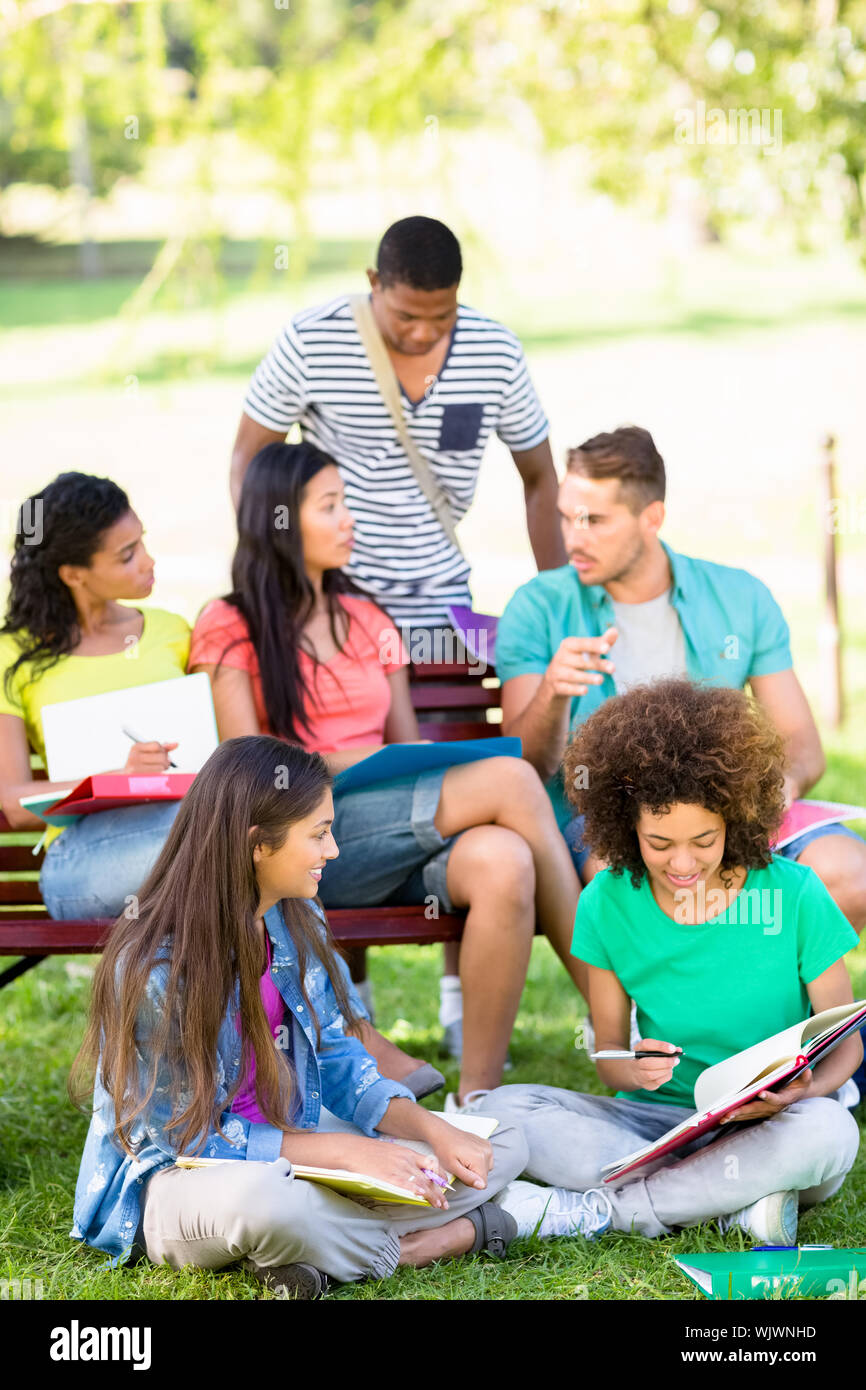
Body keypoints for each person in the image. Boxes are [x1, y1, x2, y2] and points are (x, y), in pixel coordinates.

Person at [188, 441, 586, 1106]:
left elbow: (405, 749)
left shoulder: (368, 617)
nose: (349, 520)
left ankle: (477, 1098)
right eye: (331, 506)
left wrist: (404, 764)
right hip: (304, 849)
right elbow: (248, 770)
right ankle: (614, 1010)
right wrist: (350, 763)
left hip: (392, 835)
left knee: (504, 858)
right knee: (514, 781)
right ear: (280, 518)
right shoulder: (230, 623)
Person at [69, 737, 528, 1294]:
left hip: (295, 1145)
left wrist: (432, 1127)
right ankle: (429, 1244)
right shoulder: (153, 969)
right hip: (183, 1183)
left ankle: (309, 1257)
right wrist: (346, 1152)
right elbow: (183, 1139)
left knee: (501, 1143)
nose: (333, 850)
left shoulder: (294, 918)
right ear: (257, 844)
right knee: (270, 1205)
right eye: (319, 834)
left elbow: (337, 1058)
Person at [478, 680, 862, 1245]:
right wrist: (633, 1068)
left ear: (736, 816)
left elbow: (847, 1043)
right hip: (657, 1128)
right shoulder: (604, 903)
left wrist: (804, 1092)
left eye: (704, 840)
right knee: (503, 1109)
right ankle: (726, 1204)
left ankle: (604, 1211)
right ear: (625, 824)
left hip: (774, 1124)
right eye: (660, 844)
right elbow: (609, 1056)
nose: (683, 864)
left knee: (830, 1133)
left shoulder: (796, 892)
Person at [496, 426, 866, 929]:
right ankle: (661, 1009)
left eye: (593, 521)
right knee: (628, 878)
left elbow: (803, 748)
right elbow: (524, 766)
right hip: (610, 822)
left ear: (652, 518)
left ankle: (776, 1007)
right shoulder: (538, 607)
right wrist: (552, 694)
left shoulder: (739, 597)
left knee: (850, 874)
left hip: (726, 813)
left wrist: (780, 787)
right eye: (566, 518)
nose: (572, 538)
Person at [229, 215, 565, 632]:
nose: (423, 333)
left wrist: (558, 596)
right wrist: (279, 571)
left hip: (441, 603)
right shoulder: (311, 340)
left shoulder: (496, 352)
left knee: (451, 696)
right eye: (406, 316)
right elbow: (251, 460)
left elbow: (539, 477)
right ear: (374, 282)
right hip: (333, 600)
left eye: (443, 316)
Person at [0, 473, 188, 919]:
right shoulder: (13, 655)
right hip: (82, 856)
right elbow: (14, 801)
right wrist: (117, 778)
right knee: (221, 851)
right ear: (73, 574)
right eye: (127, 556)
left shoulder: (173, 632)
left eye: (142, 542)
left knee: (231, 853)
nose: (148, 561)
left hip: (185, 836)